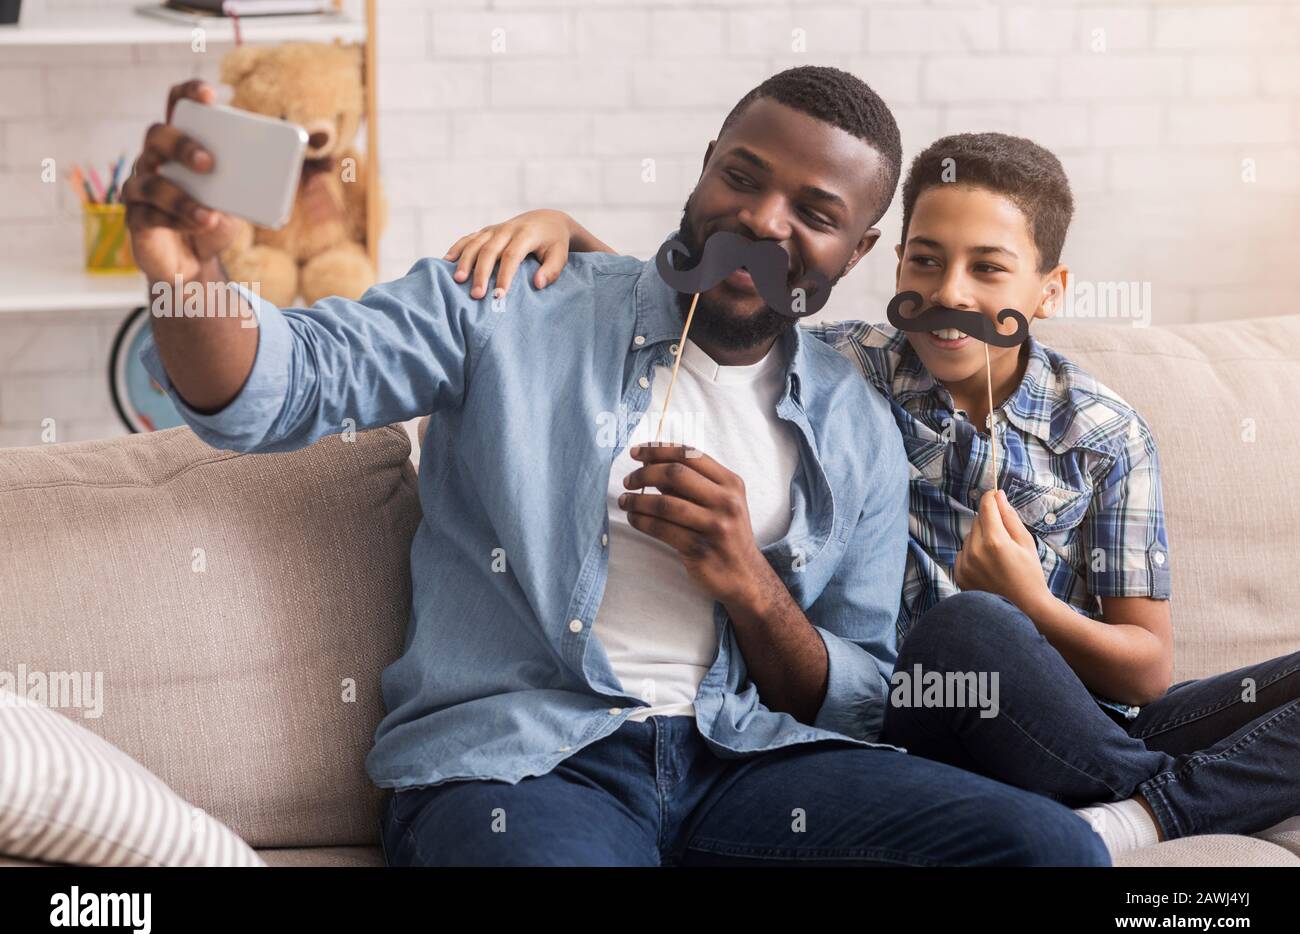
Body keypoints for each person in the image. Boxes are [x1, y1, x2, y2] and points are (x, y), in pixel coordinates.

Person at [121, 68, 1111, 867]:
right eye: (742, 174)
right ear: (702, 170)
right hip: (526, 767)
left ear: (855, 249)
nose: (763, 220)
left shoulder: (852, 421)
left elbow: (856, 689)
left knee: (1052, 848)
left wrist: (749, 583)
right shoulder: (513, 298)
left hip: (747, 766)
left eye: (811, 211)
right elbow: (282, 390)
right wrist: (188, 277)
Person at [444, 131, 1300, 861]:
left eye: (988, 269)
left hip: (1092, 734)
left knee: (1004, 624)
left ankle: (1143, 813)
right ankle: (1198, 796)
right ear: (891, 262)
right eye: (926, 260)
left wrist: (1033, 603)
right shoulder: (843, 371)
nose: (950, 295)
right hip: (927, 714)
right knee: (968, 626)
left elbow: (1147, 671)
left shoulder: (1104, 434)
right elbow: (703, 301)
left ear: (1050, 290)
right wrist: (564, 229)